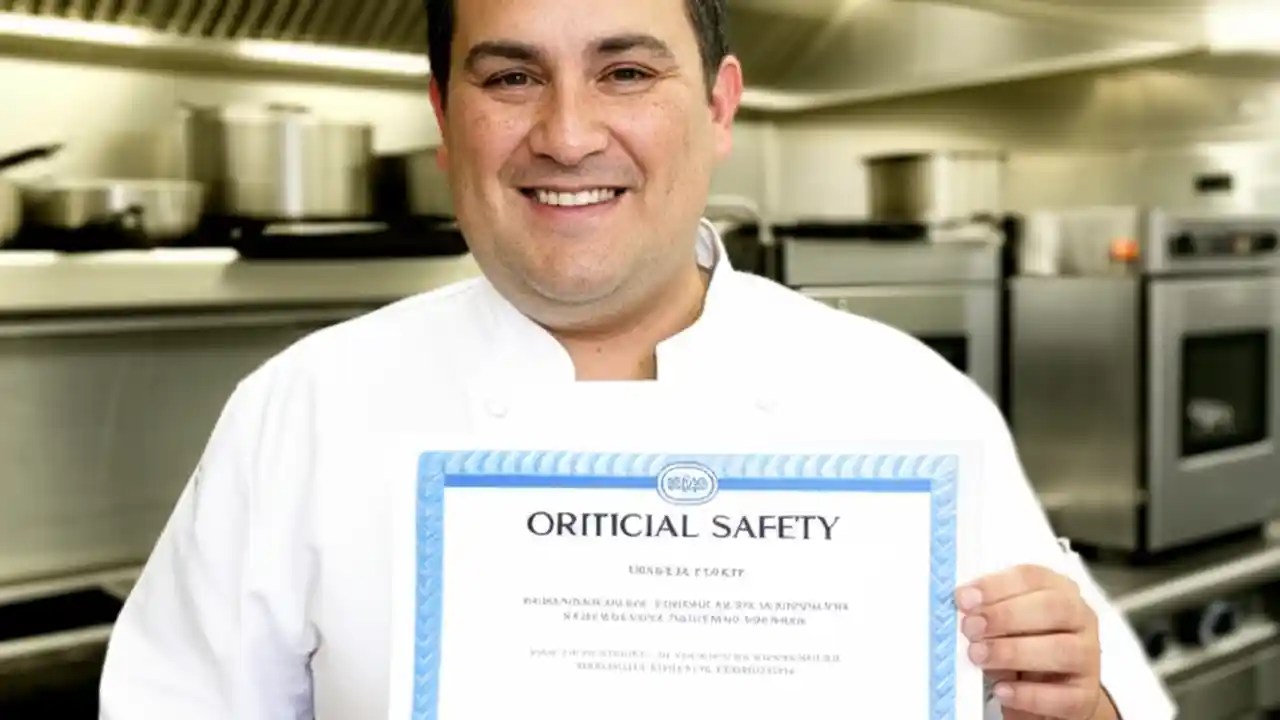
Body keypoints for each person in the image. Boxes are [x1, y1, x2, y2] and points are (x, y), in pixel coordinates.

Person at [98, 0, 1175, 718]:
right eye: (510, 77)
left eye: (623, 71)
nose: (567, 134)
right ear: (444, 117)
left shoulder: (910, 405)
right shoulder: (303, 408)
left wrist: (1081, 709)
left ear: (716, 108)